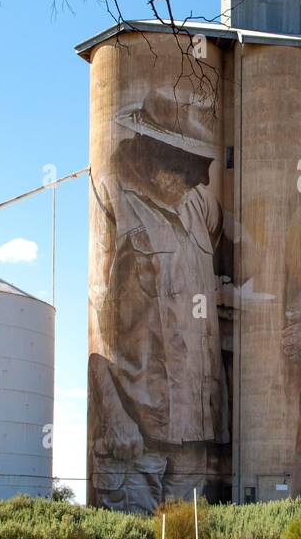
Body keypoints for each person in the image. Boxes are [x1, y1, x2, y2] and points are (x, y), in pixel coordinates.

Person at [88, 85, 231, 513]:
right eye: (190, 167)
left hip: (195, 440)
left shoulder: (199, 204)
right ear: (153, 150)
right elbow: (97, 331)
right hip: (135, 442)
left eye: (205, 167)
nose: (201, 180)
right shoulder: (111, 197)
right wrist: (114, 417)